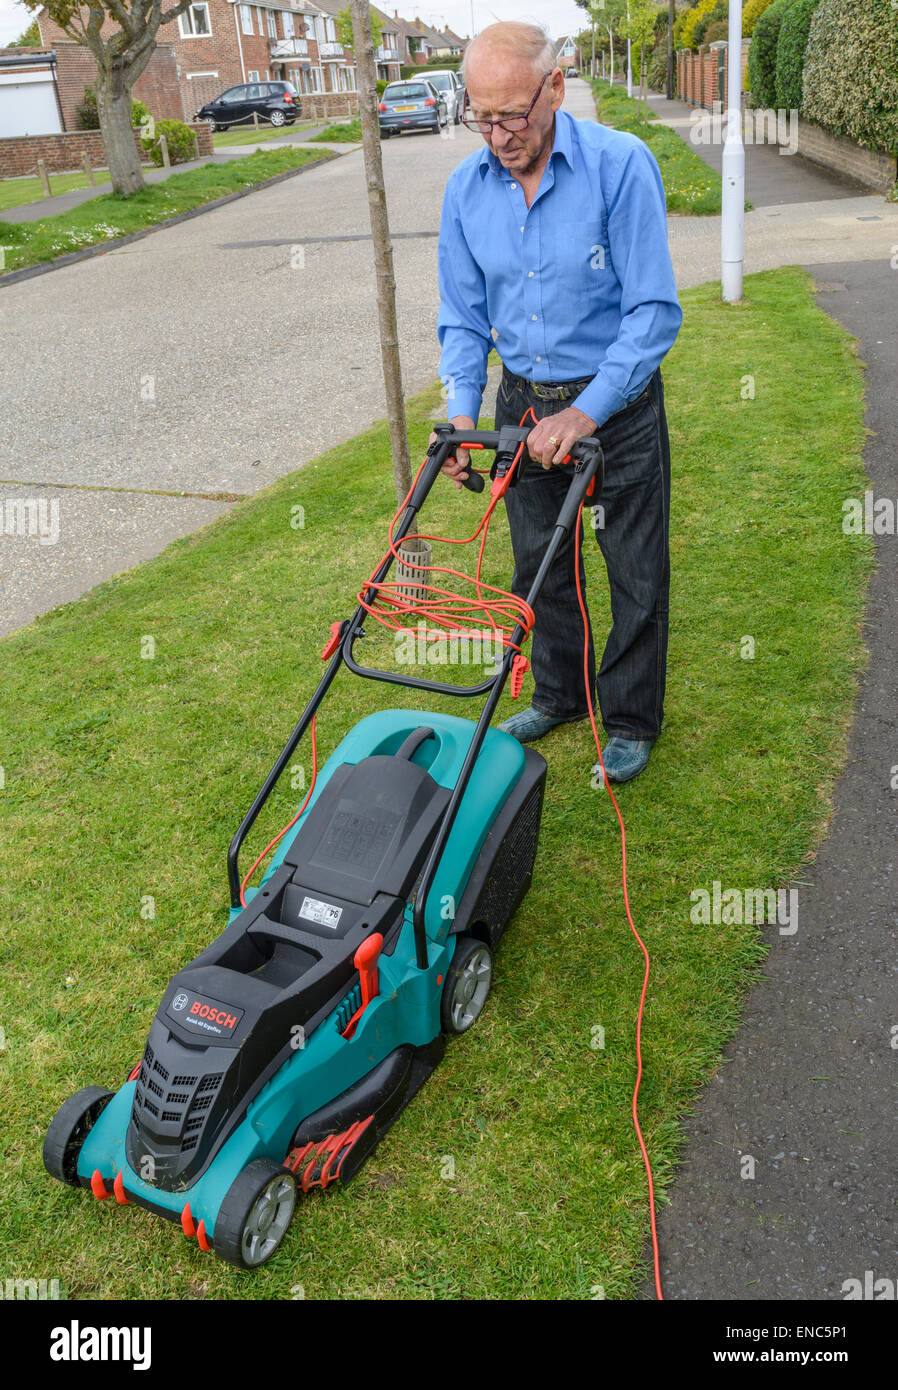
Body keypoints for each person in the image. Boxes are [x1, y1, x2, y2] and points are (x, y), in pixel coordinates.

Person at [435, 22, 682, 783]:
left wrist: (589, 412)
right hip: (524, 405)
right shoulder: (465, 191)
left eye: (514, 114)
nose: (500, 135)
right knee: (538, 565)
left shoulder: (619, 166)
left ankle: (633, 719)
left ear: (557, 87)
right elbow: (464, 316)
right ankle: (560, 693)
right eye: (483, 117)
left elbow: (652, 311)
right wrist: (464, 413)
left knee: (634, 570)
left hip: (617, 404)